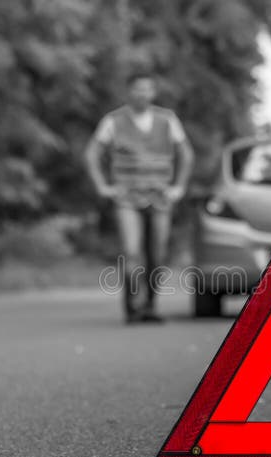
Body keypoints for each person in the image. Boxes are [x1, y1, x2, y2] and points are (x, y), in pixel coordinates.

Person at [85, 72, 194, 323]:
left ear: (153, 93)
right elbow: (92, 153)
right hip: (126, 196)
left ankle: (150, 306)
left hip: (160, 196)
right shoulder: (113, 121)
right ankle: (133, 307)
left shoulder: (167, 120)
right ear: (128, 92)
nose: (142, 94)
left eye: (147, 89)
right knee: (131, 251)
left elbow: (186, 154)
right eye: (137, 89)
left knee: (157, 255)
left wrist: (179, 186)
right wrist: (103, 186)